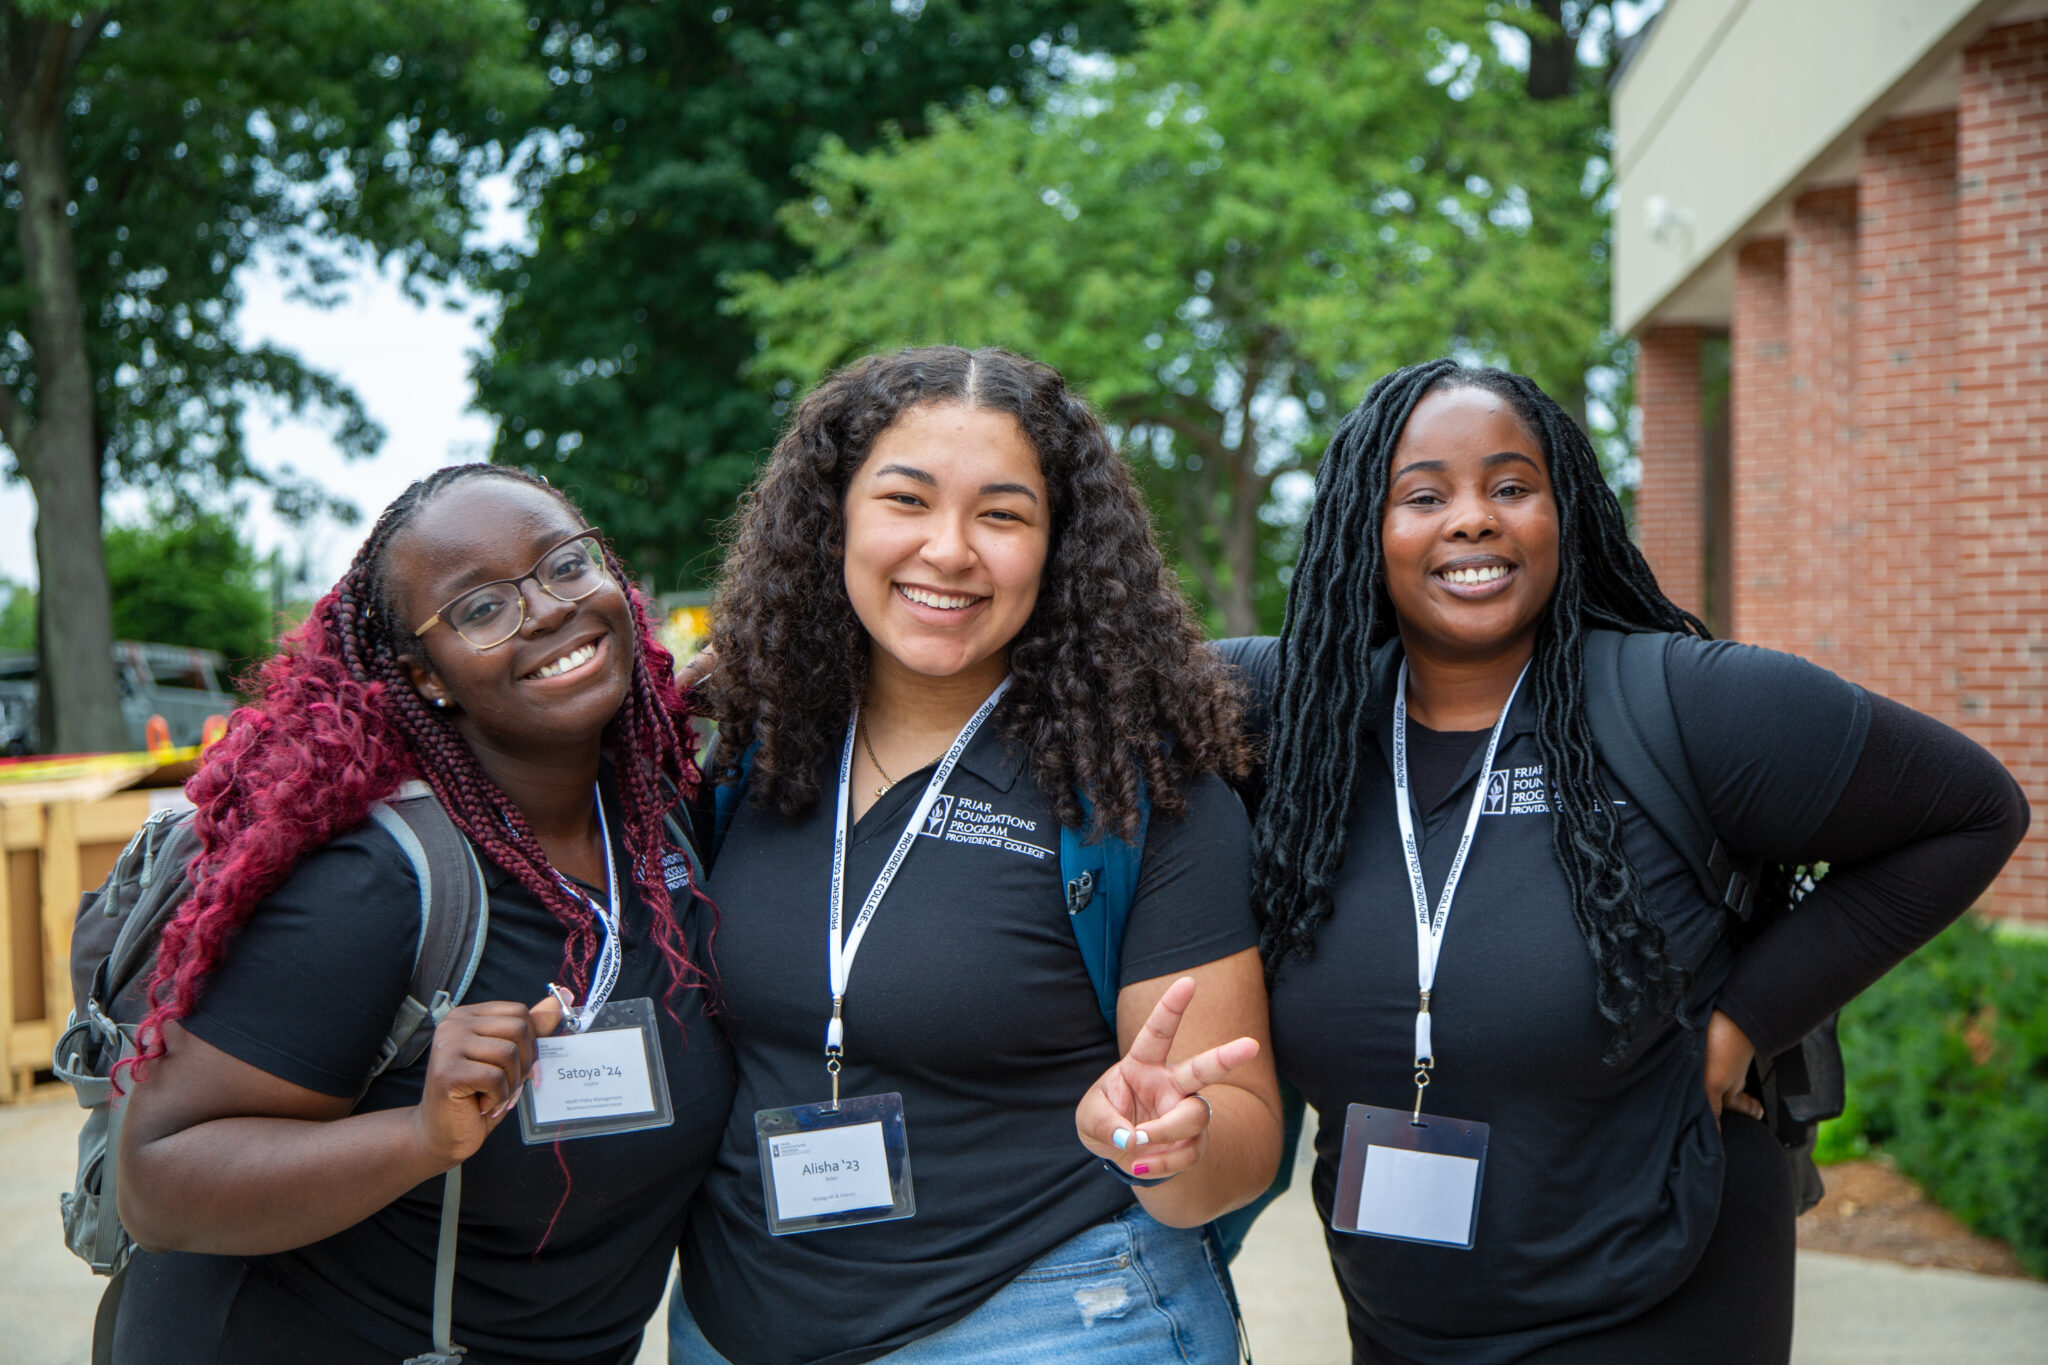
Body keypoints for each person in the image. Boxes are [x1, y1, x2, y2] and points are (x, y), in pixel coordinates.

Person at [1224, 360, 2030, 1364]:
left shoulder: (1690, 706)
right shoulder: (1288, 719)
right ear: (1359, 528)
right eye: (1422, 495)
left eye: (1511, 487)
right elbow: (1071, 678)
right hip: (1400, 1308)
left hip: (1659, 1287)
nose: (1471, 519)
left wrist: (1747, 1017)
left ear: (1565, 513)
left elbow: (1970, 811)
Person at [672, 345, 1283, 1365]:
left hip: (1049, 1326)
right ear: (833, 519)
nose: (948, 550)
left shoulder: (1141, 794)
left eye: (1001, 515)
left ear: (1058, 549)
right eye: (905, 500)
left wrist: (1168, 1140)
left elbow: (1241, 1134)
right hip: (728, 1328)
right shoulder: (743, 756)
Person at [112, 465, 733, 1365]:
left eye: (566, 565)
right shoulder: (375, 880)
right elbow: (158, 1183)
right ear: (423, 675)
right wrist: (416, 1135)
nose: (549, 609)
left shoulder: (658, 818)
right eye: (481, 609)